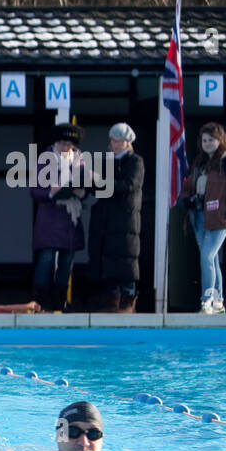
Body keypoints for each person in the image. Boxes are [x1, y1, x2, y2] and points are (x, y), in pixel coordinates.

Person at [176, 122, 226, 314]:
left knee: (207, 256)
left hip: (219, 218)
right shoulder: (200, 163)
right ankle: (218, 302)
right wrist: (186, 200)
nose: (208, 143)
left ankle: (206, 300)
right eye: (204, 140)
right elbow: (188, 187)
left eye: (212, 139)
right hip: (199, 216)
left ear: (221, 140)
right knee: (212, 260)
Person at [30, 123, 88, 312]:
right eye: (62, 144)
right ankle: (39, 303)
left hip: (70, 218)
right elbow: (35, 190)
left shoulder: (80, 161)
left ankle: (58, 305)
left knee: (66, 264)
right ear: (56, 142)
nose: (65, 148)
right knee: (46, 261)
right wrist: (50, 192)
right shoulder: (45, 159)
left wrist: (82, 192)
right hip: (50, 217)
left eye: (69, 145)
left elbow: (86, 185)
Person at [88, 123, 144, 313]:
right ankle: (112, 299)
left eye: (119, 141)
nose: (115, 144)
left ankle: (128, 300)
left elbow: (129, 184)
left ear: (127, 143)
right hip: (107, 220)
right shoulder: (105, 162)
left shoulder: (135, 162)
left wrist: (101, 182)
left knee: (127, 261)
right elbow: (96, 190)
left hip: (126, 220)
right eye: (113, 140)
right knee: (109, 262)